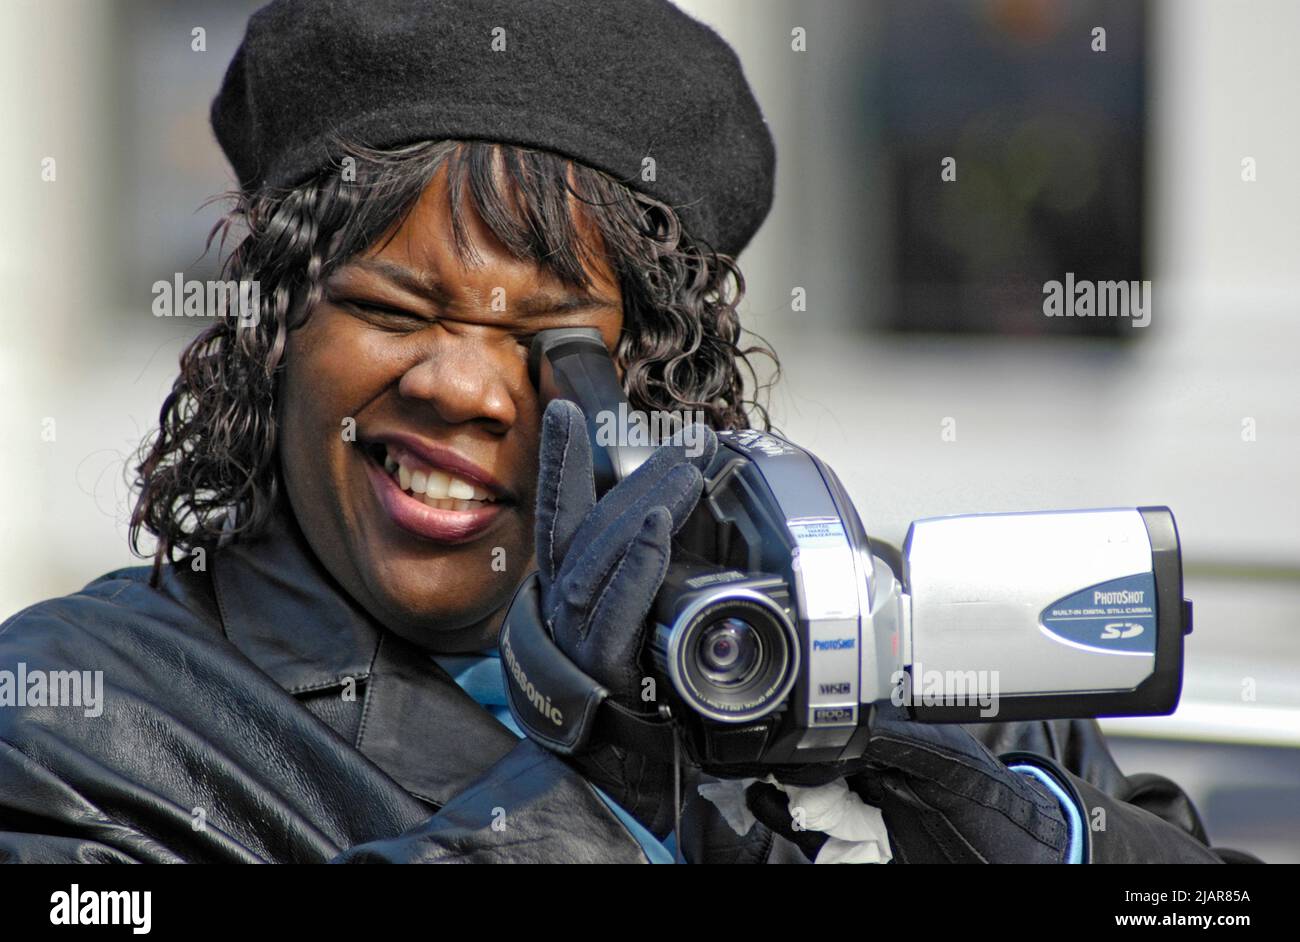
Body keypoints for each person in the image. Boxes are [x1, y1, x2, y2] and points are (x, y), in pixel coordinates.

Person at [0, 0, 1251, 863]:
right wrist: (577, 781)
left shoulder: (855, 634)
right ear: (275, 336)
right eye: (389, 307)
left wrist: (1032, 831)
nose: (463, 387)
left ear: (655, 370)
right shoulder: (83, 714)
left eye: (545, 340)